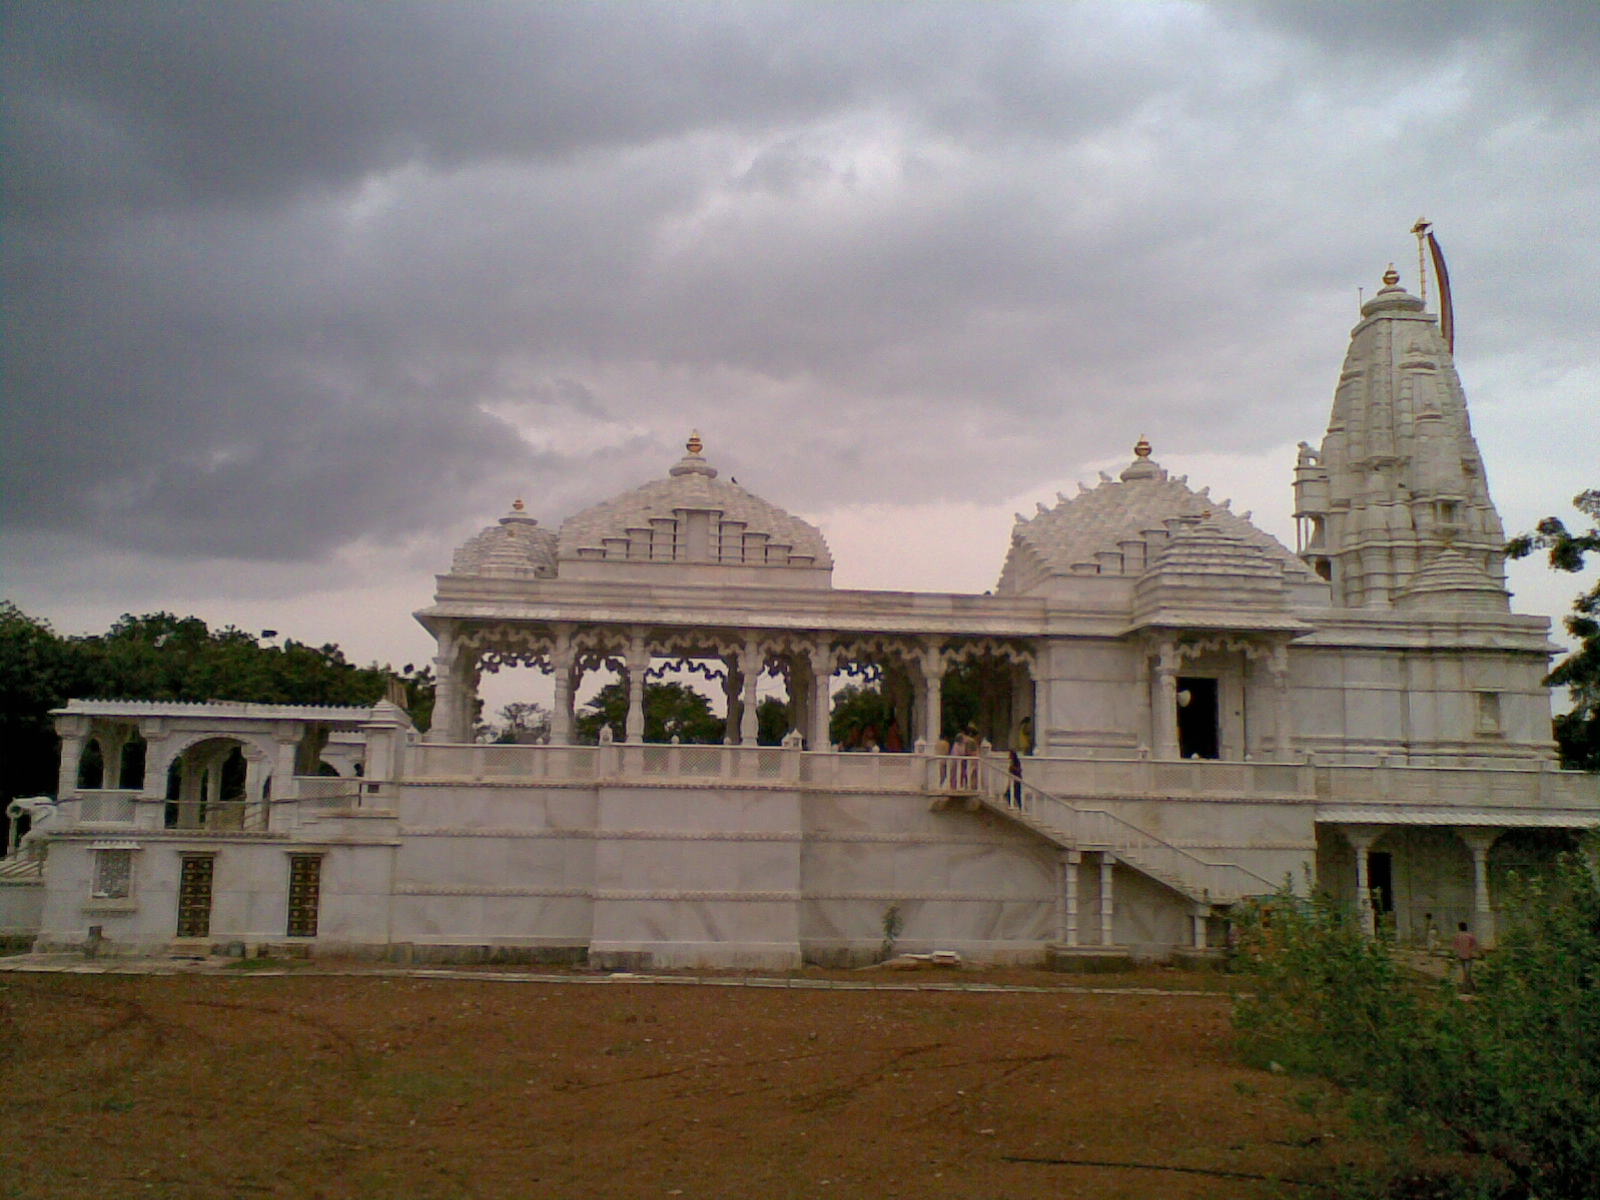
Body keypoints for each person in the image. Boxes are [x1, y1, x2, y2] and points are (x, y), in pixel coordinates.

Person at [1452, 921, 1479, 990]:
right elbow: (1475, 946)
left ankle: (1467, 987)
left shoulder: (1457, 936)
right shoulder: (1470, 936)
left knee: (1465, 972)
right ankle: (1468, 987)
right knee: (1467, 972)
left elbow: (1455, 946)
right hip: (1468, 956)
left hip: (1461, 956)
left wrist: (1455, 954)